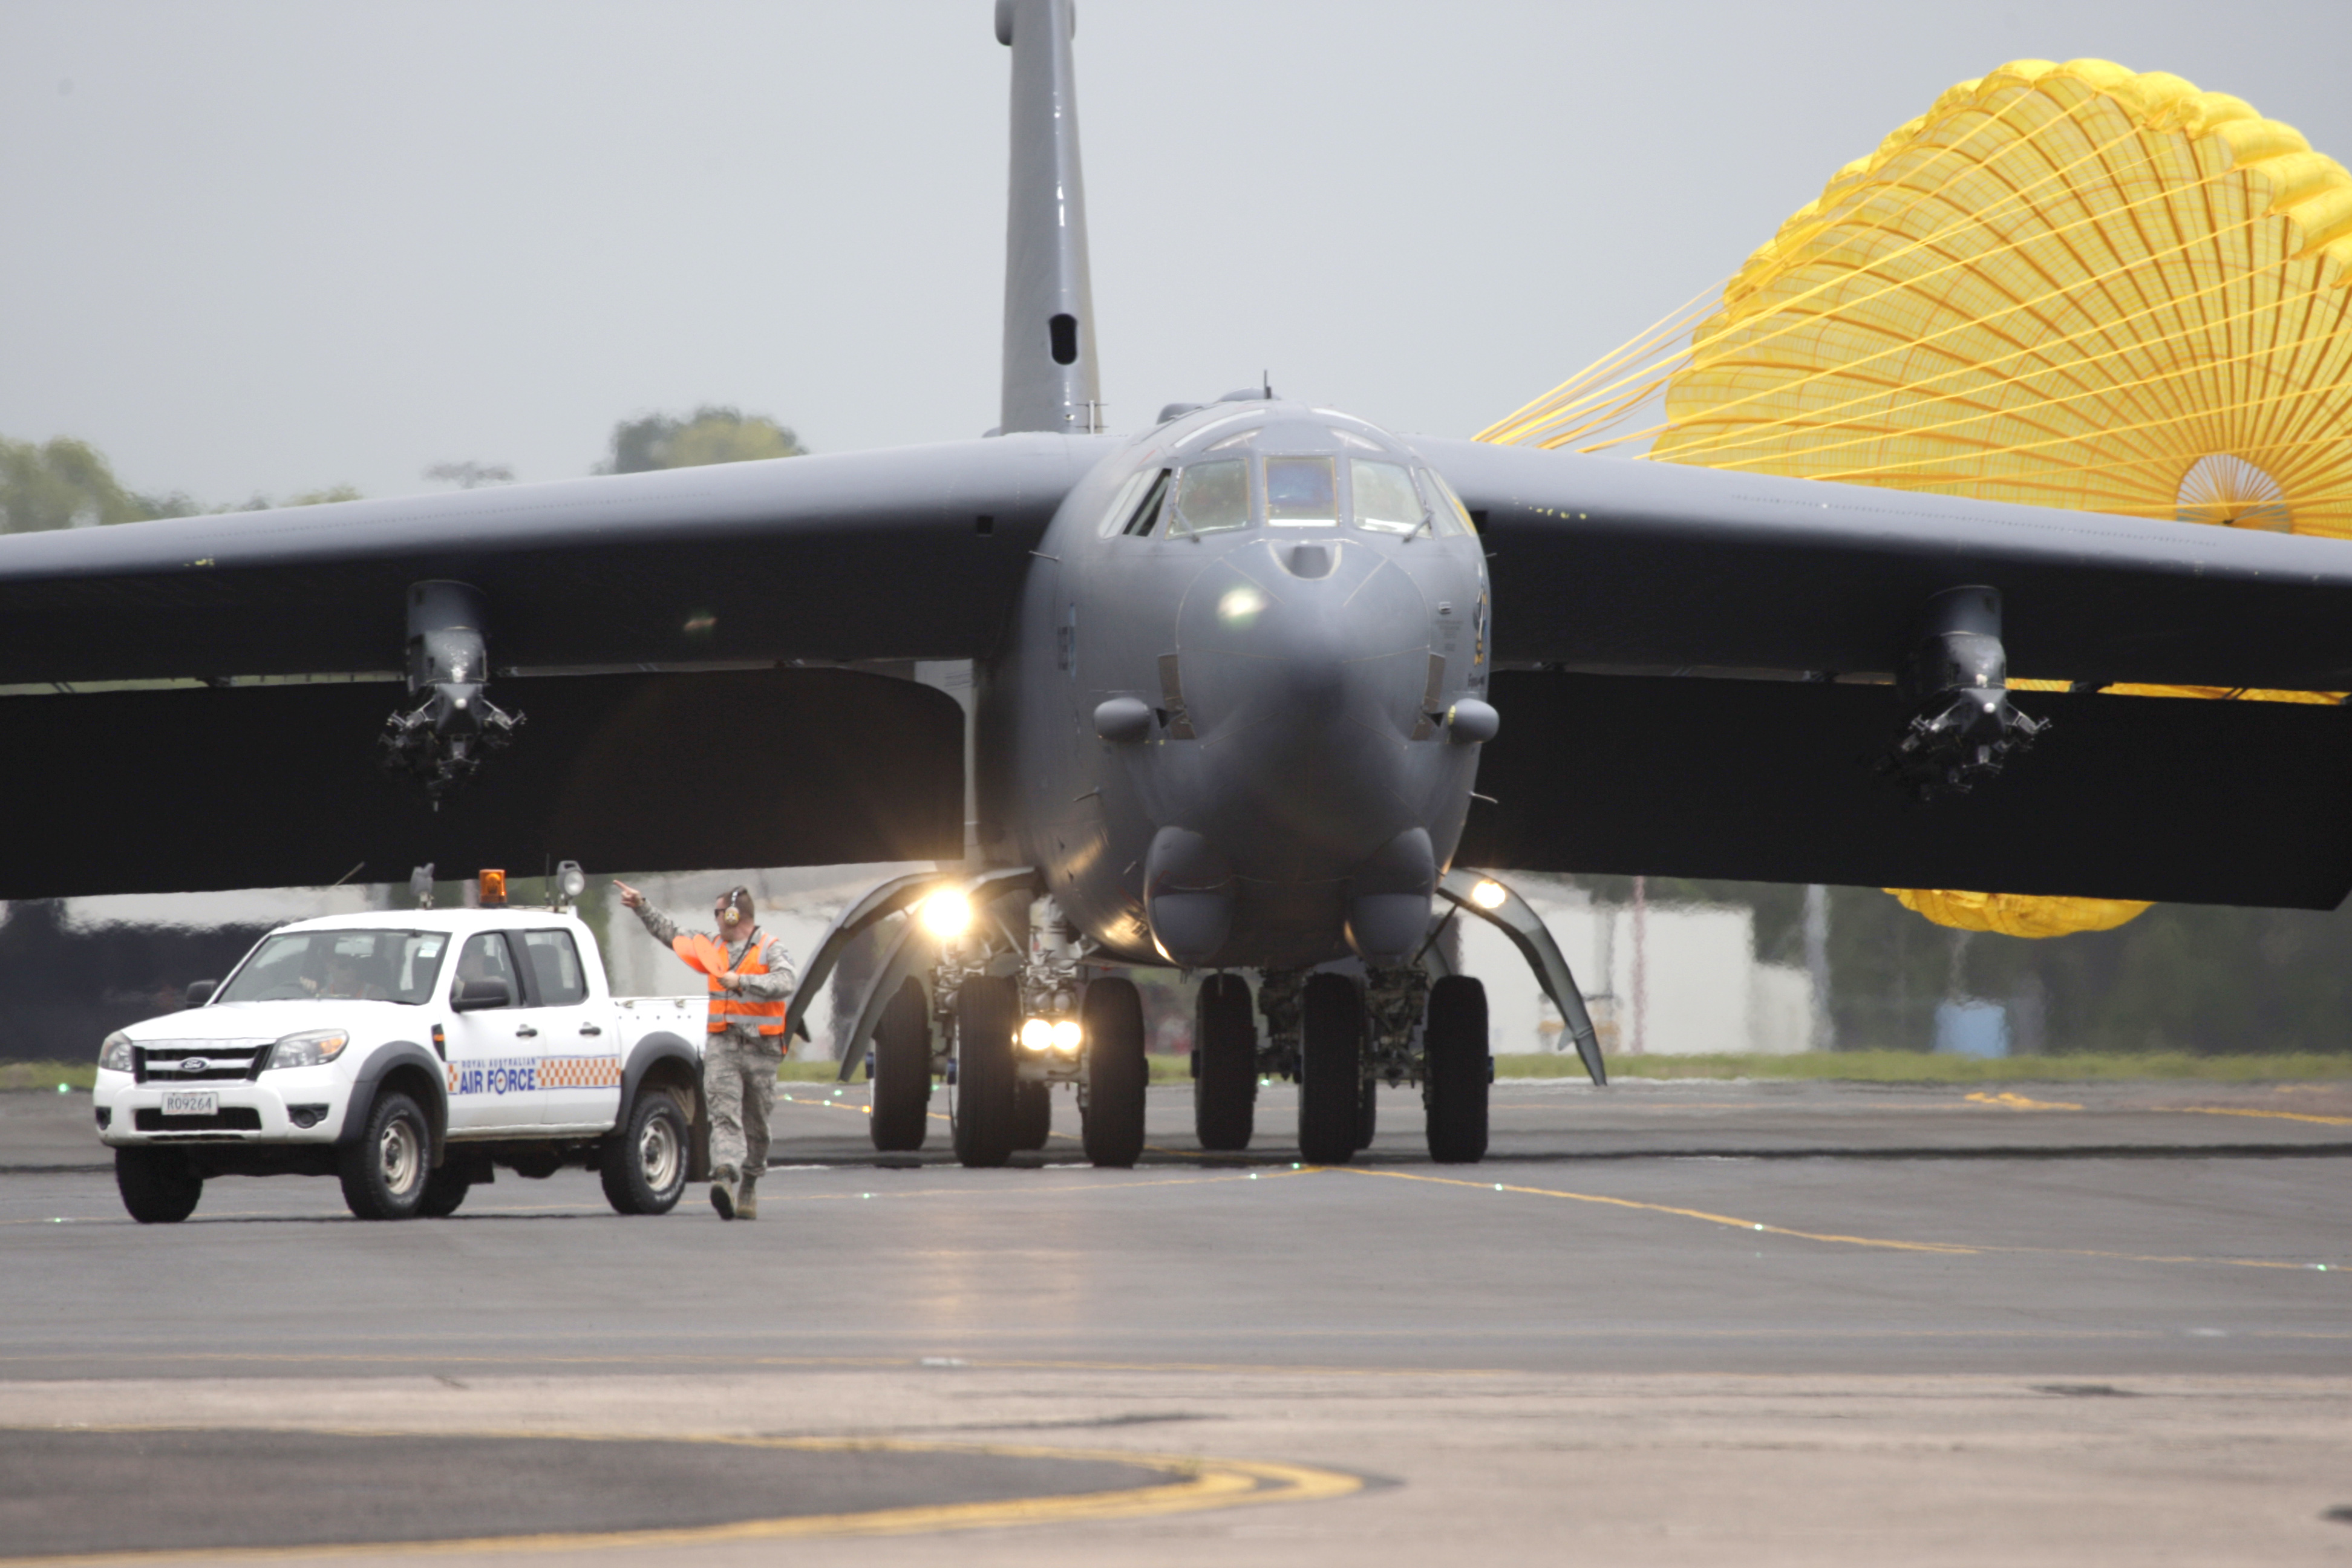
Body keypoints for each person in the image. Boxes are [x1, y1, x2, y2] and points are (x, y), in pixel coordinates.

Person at [612, 880, 794, 1221]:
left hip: (761, 1050)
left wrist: (743, 982)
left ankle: (750, 1185)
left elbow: (786, 982)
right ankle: (724, 1177)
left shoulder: (770, 948)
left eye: (718, 913)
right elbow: (673, 934)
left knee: (757, 1127)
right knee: (723, 1117)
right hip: (723, 1045)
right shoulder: (712, 947)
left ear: (735, 914)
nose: (714, 919)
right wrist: (641, 905)